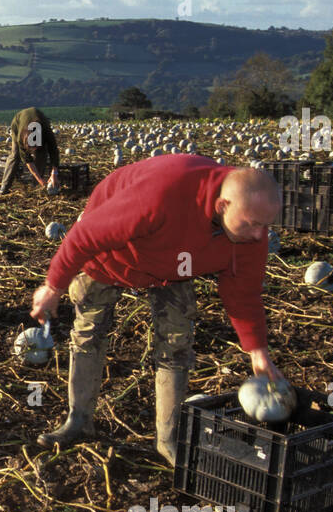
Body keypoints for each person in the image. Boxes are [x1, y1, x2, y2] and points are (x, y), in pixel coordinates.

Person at [29, 153, 284, 465]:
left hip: (177, 265)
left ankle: (168, 439)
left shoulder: (250, 228)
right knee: (89, 331)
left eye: (266, 226)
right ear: (222, 206)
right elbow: (85, 237)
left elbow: (244, 292)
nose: (260, 235)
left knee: (177, 342)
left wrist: (257, 351)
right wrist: (53, 287)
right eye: (254, 225)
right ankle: (79, 421)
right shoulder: (160, 196)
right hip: (114, 254)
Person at [0, 107, 60, 195]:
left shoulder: (47, 132)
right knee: (15, 155)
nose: (33, 150)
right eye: (32, 148)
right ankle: (4, 186)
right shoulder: (21, 138)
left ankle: (37, 186)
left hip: (40, 124)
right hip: (18, 123)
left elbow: (54, 152)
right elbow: (28, 161)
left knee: (41, 155)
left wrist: (54, 174)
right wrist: (40, 179)